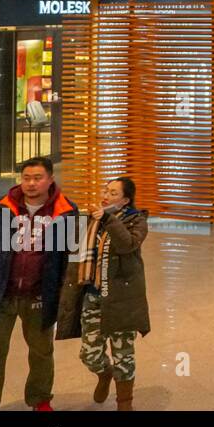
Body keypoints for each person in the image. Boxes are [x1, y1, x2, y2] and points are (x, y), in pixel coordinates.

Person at [0, 156, 78, 411]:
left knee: (41, 352)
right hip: (0, 293)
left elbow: (70, 255)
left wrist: (68, 293)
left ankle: (40, 399)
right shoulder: (3, 207)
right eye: (26, 178)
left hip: (40, 294)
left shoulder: (65, 210)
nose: (31, 183)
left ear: (50, 180)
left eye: (37, 178)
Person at [58, 176, 149, 412]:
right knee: (89, 353)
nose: (106, 196)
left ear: (126, 200)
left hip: (121, 298)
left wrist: (108, 219)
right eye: (105, 190)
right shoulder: (91, 219)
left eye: (113, 193)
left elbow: (127, 245)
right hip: (92, 296)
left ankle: (124, 403)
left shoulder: (136, 220)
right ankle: (104, 373)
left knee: (123, 354)